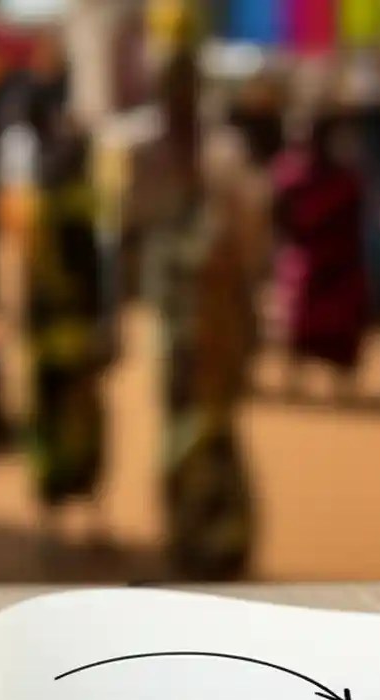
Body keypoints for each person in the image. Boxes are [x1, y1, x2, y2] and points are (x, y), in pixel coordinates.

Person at [135, 10, 259, 580]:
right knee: (178, 430)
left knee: (216, 432)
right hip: (173, 324)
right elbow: (132, 240)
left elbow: (249, 248)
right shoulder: (143, 155)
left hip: (219, 324)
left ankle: (223, 542)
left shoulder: (223, 158)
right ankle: (186, 537)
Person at [25, 113, 110, 548]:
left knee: (50, 424)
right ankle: (92, 520)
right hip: (76, 338)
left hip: (47, 342)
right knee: (87, 427)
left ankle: (50, 521)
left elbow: (30, 282)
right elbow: (94, 278)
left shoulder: (38, 207)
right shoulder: (81, 206)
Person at [272, 110, 369, 397]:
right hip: (307, 263)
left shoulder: (345, 179)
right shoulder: (290, 176)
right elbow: (281, 219)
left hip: (338, 265)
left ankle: (342, 385)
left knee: (338, 327)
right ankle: (293, 381)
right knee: (298, 323)